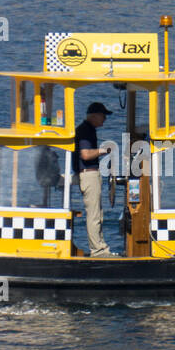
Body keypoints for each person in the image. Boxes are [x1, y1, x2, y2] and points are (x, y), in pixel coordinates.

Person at [74, 101, 114, 257]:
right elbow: (85, 154)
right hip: (89, 174)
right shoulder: (85, 131)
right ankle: (97, 250)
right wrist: (104, 150)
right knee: (94, 214)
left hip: (89, 173)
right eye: (103, 116)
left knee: (96, 213)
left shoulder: (87, 129)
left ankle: (100, 246)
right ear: (95, 116)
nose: (105, 119)